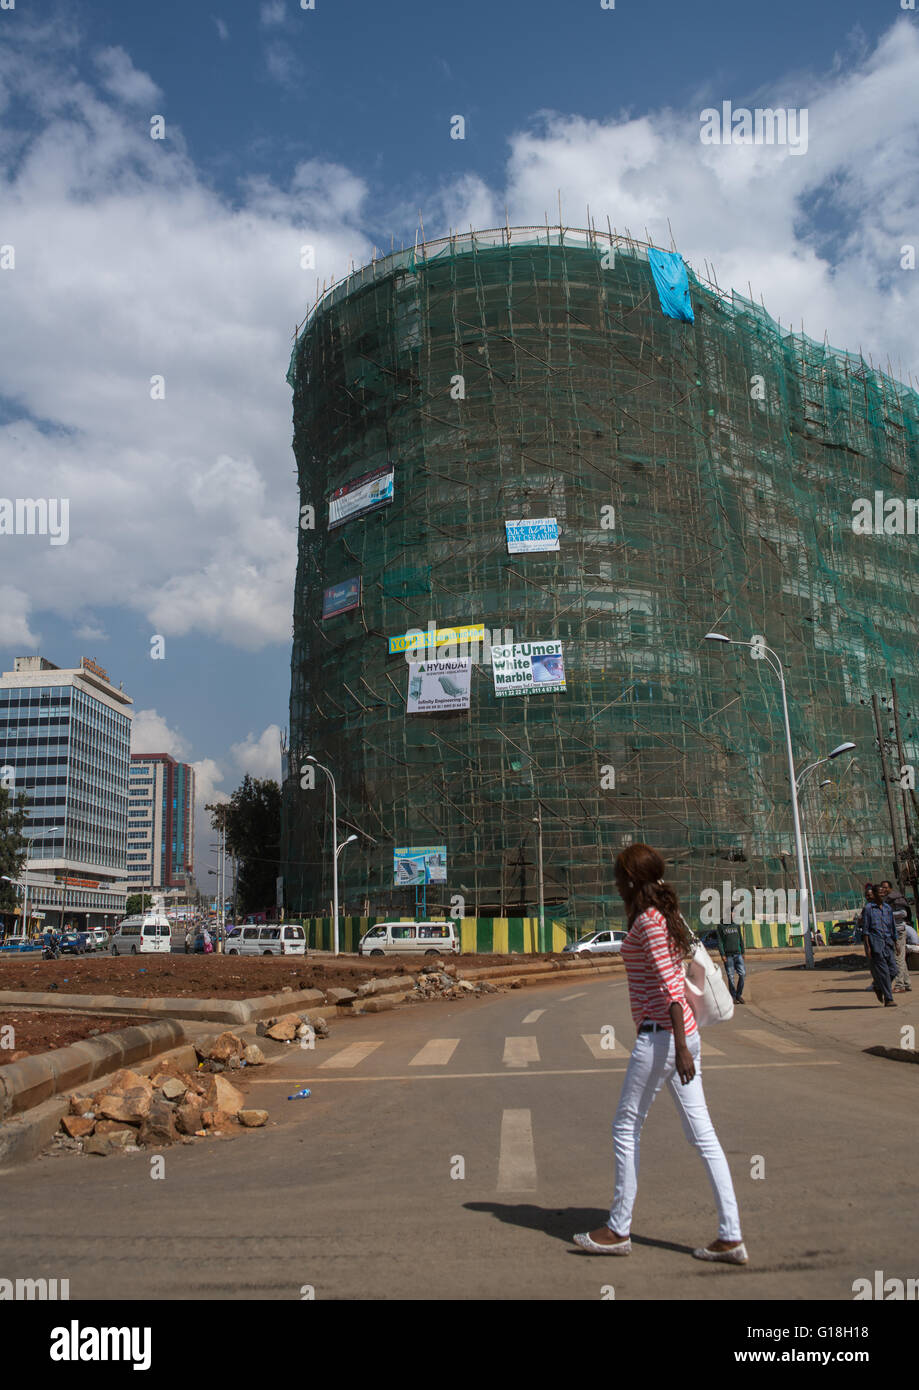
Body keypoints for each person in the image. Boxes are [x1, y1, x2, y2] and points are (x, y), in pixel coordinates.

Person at [573, 843, 747, 1264]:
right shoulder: (658, 915)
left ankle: (617, 1229)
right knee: (701, 1134)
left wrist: (682, 1048)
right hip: (678, 1035)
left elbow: (671, 985)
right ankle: (730, 1235)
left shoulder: (649, 921)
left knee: (625, 1127)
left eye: (618, 876)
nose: (614, 883)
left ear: (631, 880)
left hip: (663, 1037)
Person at [861, 883, 898, 1007]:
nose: (882, 895)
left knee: (893, 970)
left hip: (888, 943)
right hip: (876, 943)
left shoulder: (888, 908)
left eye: (884, 893)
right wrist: (868, 947)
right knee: (884, 972)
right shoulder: (868, 909)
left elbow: (892, 926)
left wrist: (896, 942)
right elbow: (865, 930)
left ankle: (878, 986)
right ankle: (889, 999)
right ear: (875, 894)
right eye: (880, 893)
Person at [880, 880, 913, 994]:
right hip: (892, 931)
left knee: (897, 958)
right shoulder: (887, 900)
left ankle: (899, 985)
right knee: (900, 957)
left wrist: (887, 914)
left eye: (885, 887)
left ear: (890, 888)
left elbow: (904, 913)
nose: (883, 889)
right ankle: (907, 983)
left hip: (898, 931)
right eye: (882, 888)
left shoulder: (896, 898)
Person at [716, 906, 746, 1003]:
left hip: (738, 954)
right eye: (731, 913)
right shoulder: (721, 926)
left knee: (742, 974)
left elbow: (740, 939)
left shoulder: (736, 925)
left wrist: (743, 952)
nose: (733, 915)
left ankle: (738, 995)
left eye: (734, 913)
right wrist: (722, 954)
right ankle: (733, 997)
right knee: (731, 976)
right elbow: (720, 942)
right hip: (728, 956)